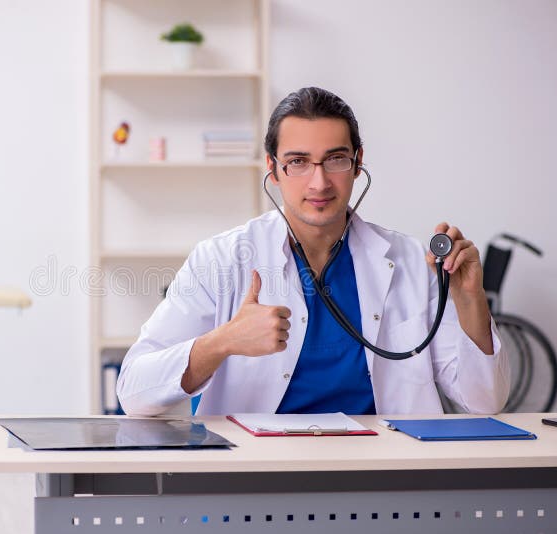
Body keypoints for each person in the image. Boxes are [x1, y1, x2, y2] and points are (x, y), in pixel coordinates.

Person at [116, 87, 510, 416]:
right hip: (256, 479)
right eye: (298, 162)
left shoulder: (410, 260)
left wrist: (470, 300)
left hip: (385, 476)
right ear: (272, 168)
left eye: (335, 159)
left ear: (357, 163)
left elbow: (485, 401)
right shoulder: (221, 260)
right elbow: (133, 392)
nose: (319, 182)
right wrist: (224, 341)